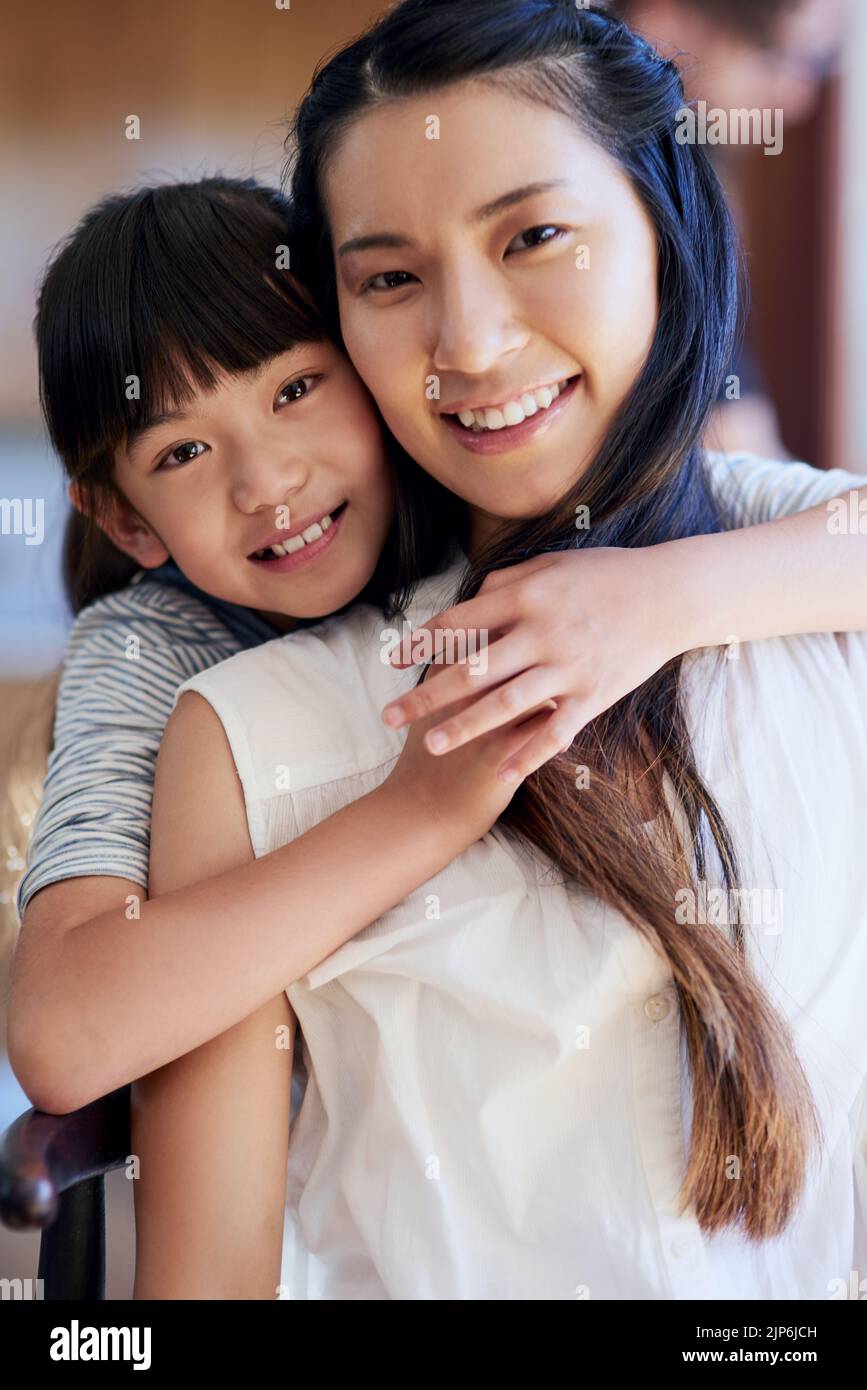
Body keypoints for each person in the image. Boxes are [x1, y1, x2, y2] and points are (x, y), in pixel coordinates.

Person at [131, 1, 867, 1300]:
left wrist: (649, 601)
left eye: (533, 235)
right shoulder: (257, 734)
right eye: (388, 278)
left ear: (663, 230)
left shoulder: (803, 598)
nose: (465, 346)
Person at [11, 167, 865, 1121]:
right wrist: (419, 812)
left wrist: (657, 599)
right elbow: (62, 1032)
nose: (266, 483)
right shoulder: (150, 647)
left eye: (295, 387)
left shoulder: (495, 491)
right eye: (182, 452)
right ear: (128, 521)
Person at [609, 0, 849, 458]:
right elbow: (740, 459)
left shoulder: (693, 170)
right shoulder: (644, 190)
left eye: (820, 64)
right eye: (780, 55)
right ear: (666, 16)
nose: (799, 99)